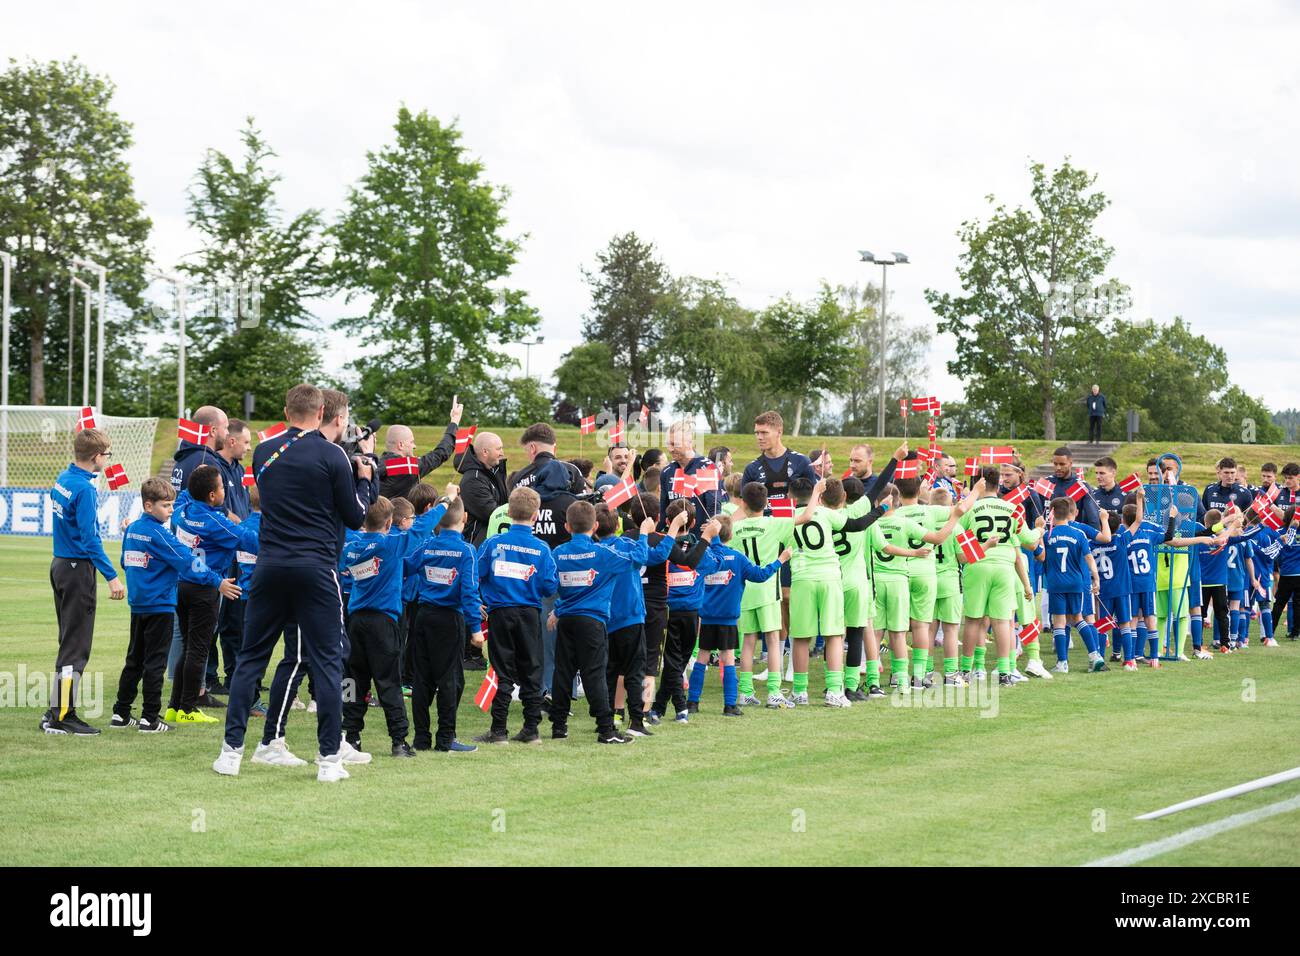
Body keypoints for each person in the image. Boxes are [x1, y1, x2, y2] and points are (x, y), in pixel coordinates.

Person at [213, 383, 377, 782]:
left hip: (271, 566)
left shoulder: (265, 451)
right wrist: (365, 477)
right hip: (316, 568)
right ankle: (328, 760)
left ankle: (231, 752)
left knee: (252, 659)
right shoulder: (332, 453)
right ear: (320, 412)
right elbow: (357, 516)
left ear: (287, 410)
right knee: (327, 660)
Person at [113, 478, 239, 733]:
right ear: (148, 506)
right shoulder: (160, 534)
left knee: (134, 660)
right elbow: (187, 561)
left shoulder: (132, 529)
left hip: (138, 606)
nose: (171, 511)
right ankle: (150, 717)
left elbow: (125, 562)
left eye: (172, 505)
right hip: (159, 606)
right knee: (155, 662)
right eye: (166, 505)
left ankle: (121, 713)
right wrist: (217, 581)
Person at [342, 492, 451, 758]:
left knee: (352, 681)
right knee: (389, 681)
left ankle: (349, 736)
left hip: (354, 621)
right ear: (390, 524)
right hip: (383, 623)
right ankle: (399, 741)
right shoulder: (390, 545)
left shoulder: (350, 548)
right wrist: (445, 502)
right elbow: (423, 527)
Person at [548, 500, 659, 743]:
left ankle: (558, 726)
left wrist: (558, 608)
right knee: (595, 673)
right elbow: (640, 557)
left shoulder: (558, 553)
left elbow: (551, 585)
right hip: (592, 621)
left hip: (566, 620)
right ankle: (606, 730)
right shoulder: (602, 553)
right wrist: (643, 533)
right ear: (595, 525)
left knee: (563, 672)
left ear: (567, 526)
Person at [42, 427, 127, 735]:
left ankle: (56, 708)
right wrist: (112, 576)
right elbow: (90, 540)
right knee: (76, 646)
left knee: (68, 642)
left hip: (60, 564)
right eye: (107, 455)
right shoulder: (85, 489)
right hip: (78, 568)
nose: (108, 459)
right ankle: (62, 716)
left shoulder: (64, 479)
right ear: (96, 457)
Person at [169, 465, 259, 724]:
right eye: (221, 487)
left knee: (189, 647)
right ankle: (188, 709)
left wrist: (196, 477)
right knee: (198, 650)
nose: (224, 491)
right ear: (212, 495)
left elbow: (186, 494)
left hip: (182, 586)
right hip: (205, 590)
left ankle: (175, 706)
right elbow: (247, 540)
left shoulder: (182, 512)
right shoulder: (216, 522)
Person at [474, 486, 559, 745]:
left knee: (502, 670)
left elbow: (477, 575)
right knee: (532, 670)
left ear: (509, 513)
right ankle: (531, 729)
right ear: (536, 516)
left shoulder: (492, 544)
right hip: (529, 614)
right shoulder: (542, 548)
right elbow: (549, 586)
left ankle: (499, 730)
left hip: (500, 612)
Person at [508, 423, 579, 703]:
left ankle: (538, 686)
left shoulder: (521, 481)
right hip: (568, 569)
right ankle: (566, 688)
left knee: (538, 635)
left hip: (530, 570)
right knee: (566, 633)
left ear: (533, 448)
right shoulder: (571, 487)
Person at [691, 514, 789, 715]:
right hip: (727, 619)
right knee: (727, 659)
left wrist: (710, 538)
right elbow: (760, 576)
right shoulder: (737, 558)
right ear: (731, 534)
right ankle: (729, 705)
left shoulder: (704, 555)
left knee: (701, 658)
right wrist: (780, 560)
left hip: (708, 616)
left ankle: (692, 702)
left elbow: (709, 558)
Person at [406, 497, 482, 753]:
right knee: (450, 680)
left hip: (424, 616)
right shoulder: (467, 551)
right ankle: (446, 738)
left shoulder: (427, 546)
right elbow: (469, 593)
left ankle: (421, 738)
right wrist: (476, 629)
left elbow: (406, 566)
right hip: (449, 619)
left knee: (422, 678)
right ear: (465, 519)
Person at [650, 500, 722, 723]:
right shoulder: (677, 548)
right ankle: (679, 706)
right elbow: (717, 563)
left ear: (669, 522)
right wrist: (713, 537)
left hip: (684, 611)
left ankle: (659, 705)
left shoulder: (665, 545)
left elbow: (714, 564)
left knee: (678, 661)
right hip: (678, 611)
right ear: (692, 523)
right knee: (675, 660)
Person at [208, 419, 252, 695]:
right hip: (224, 553)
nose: (249, 448)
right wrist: (236, 524)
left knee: (237, 618)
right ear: (232, 441)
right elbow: (220, 510)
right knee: (217, 618)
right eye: (246, 442)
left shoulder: (239, 469)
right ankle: (210, 676)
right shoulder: (214, 468)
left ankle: (237, 674)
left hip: (242, 551)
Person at [377, 398, 464, 500]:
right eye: (411, 442)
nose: (415, 446)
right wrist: (455, 421)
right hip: (399, 515)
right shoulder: (403, 466)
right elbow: (441, 454)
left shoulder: (378, 463)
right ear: (400, 445)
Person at [659, 420, 720, 526]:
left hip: (699, 537)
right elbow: (664, 509)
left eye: (675, 444)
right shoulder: (667, 472)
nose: (670, 449)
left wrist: (709, 533)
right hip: (675, 538)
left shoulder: (706, 467)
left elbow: (714, 506)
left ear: (689, 443)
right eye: (668, 444)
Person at [456, 431, 508, 545]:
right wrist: (521, 514)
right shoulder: (473, 480)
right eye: (498, 449)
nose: (502, 453)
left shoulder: (493, 472)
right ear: (485, 452)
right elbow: (494, 514)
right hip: (477, 545)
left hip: (490, 542)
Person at [169, 404, 229, 493]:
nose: (228, 433)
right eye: (225, 428)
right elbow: (216, 504)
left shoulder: (183, 456)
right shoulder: (208, 462)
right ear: (213, 431)